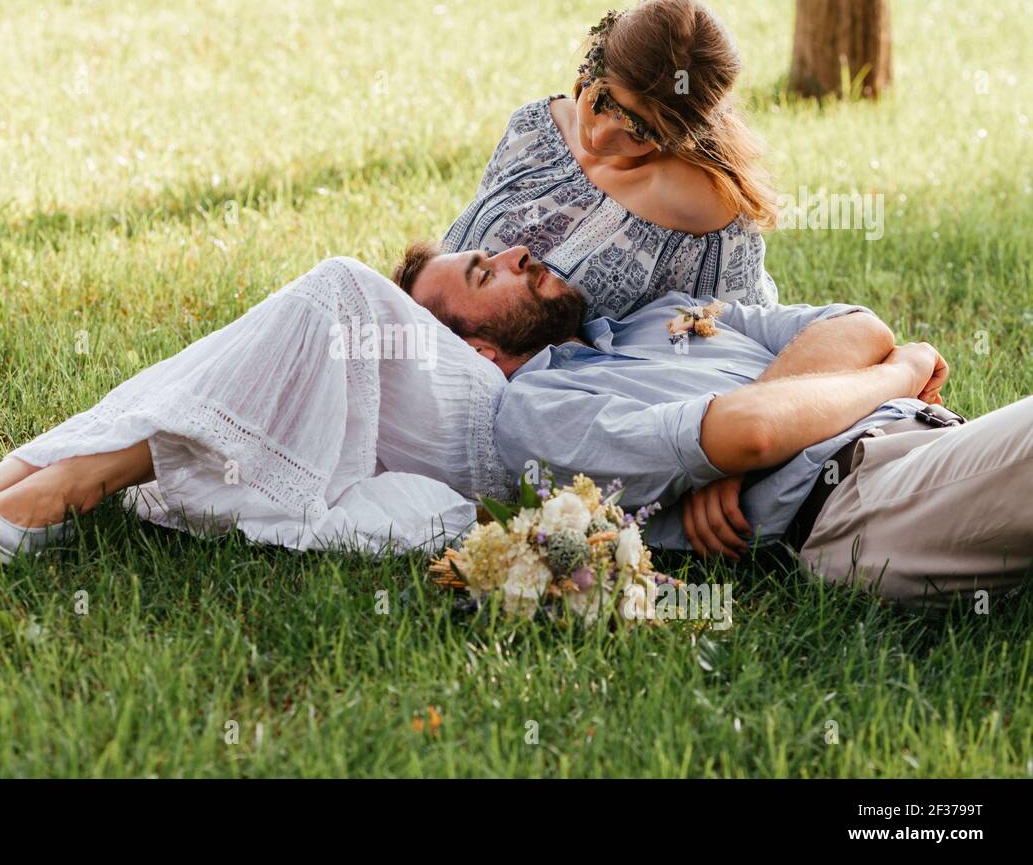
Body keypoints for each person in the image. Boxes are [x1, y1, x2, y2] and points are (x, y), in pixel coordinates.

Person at [397, 241, 1033, 610]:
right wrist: (903, 369)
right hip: (862, 500)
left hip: (937, 445)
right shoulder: (538, 411)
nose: (518, 252)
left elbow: (861, 329)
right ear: (477, 351)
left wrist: (742, 450)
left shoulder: (660, 316)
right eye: (487, 273)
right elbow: (754, 431)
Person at [0, 257, 553, 568]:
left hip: (488, 438)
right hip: (459, 412)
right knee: (249, 360)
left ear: (480, 353)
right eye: (483, 270)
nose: (520, 255)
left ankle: (43, 488)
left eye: (487, 272)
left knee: (336, 287)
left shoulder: (547, 372)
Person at [444, 0, 778, 322]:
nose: (601, 136)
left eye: (638, 133)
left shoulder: (696, 206)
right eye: (601, 101)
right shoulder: (534, 130)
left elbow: (740, 333)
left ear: (677, 137)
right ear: (592, 63)